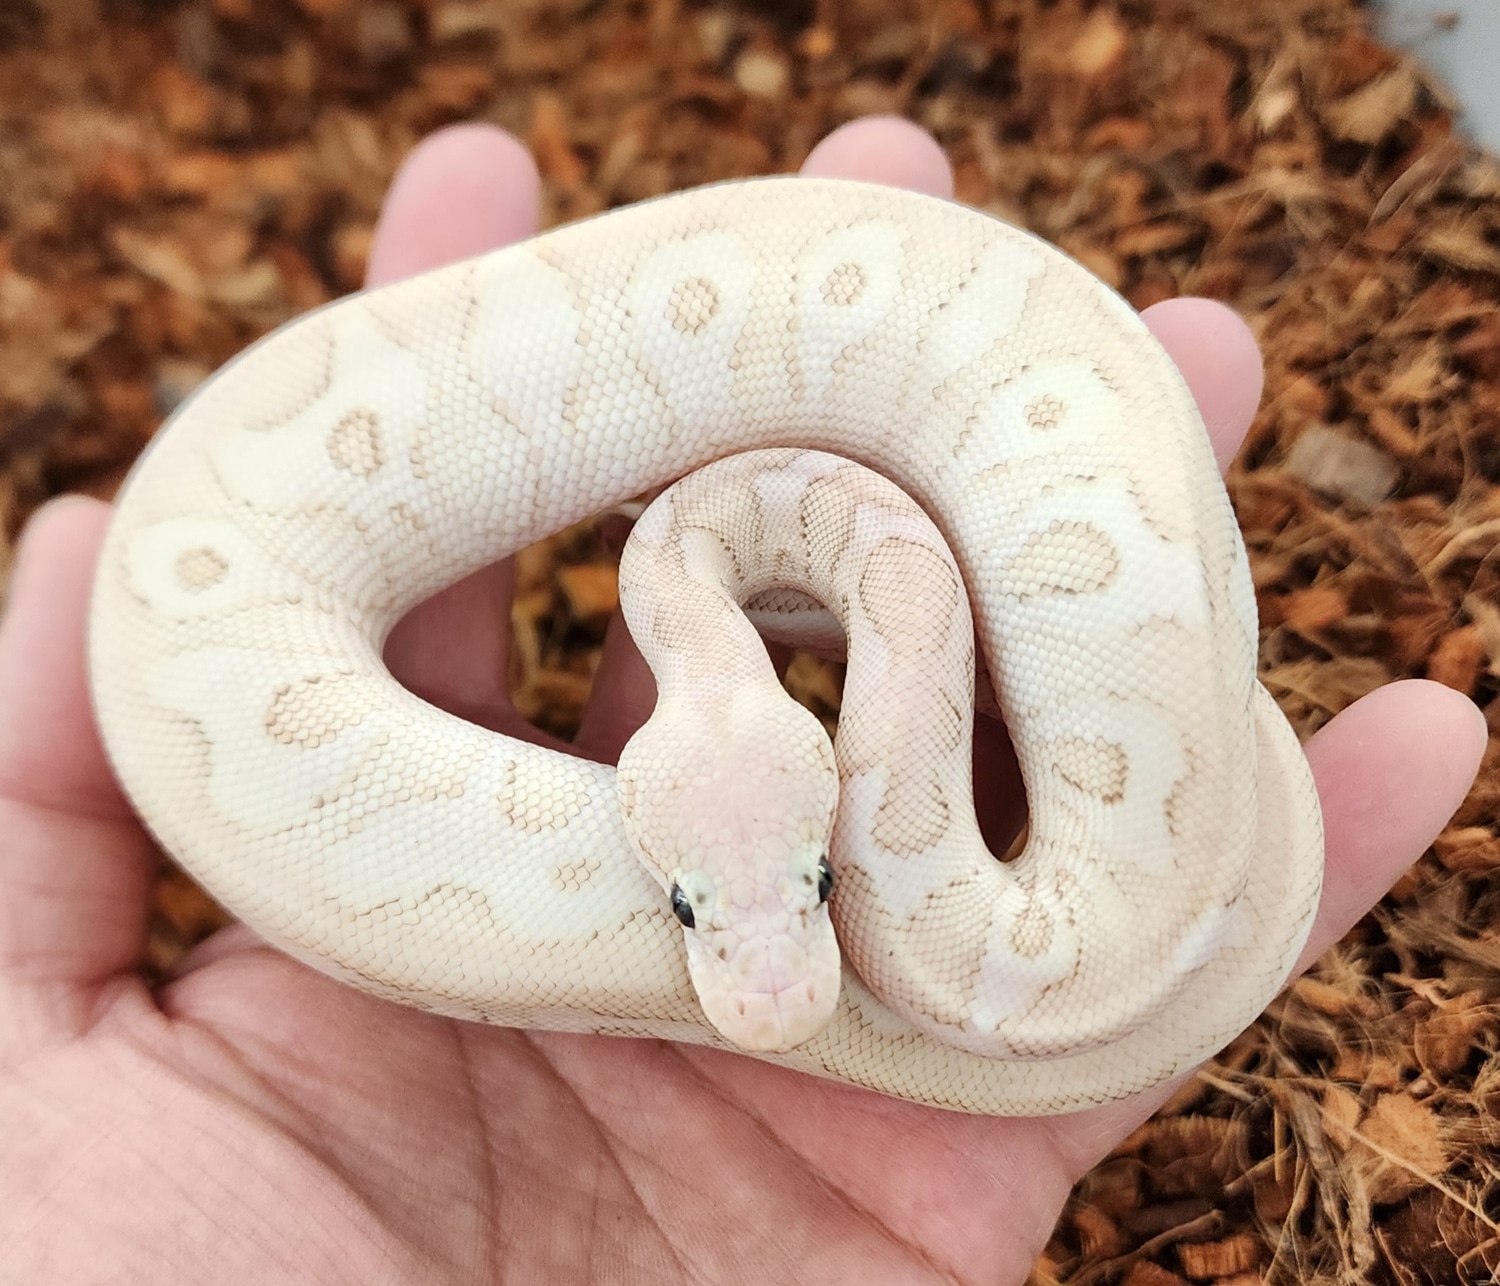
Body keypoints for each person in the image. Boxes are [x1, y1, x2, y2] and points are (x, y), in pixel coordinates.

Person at [0, 117, 1483, 1284]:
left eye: (817, 879)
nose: (773, 989)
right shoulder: (746, 664)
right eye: (711, 906)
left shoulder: (739, 629)